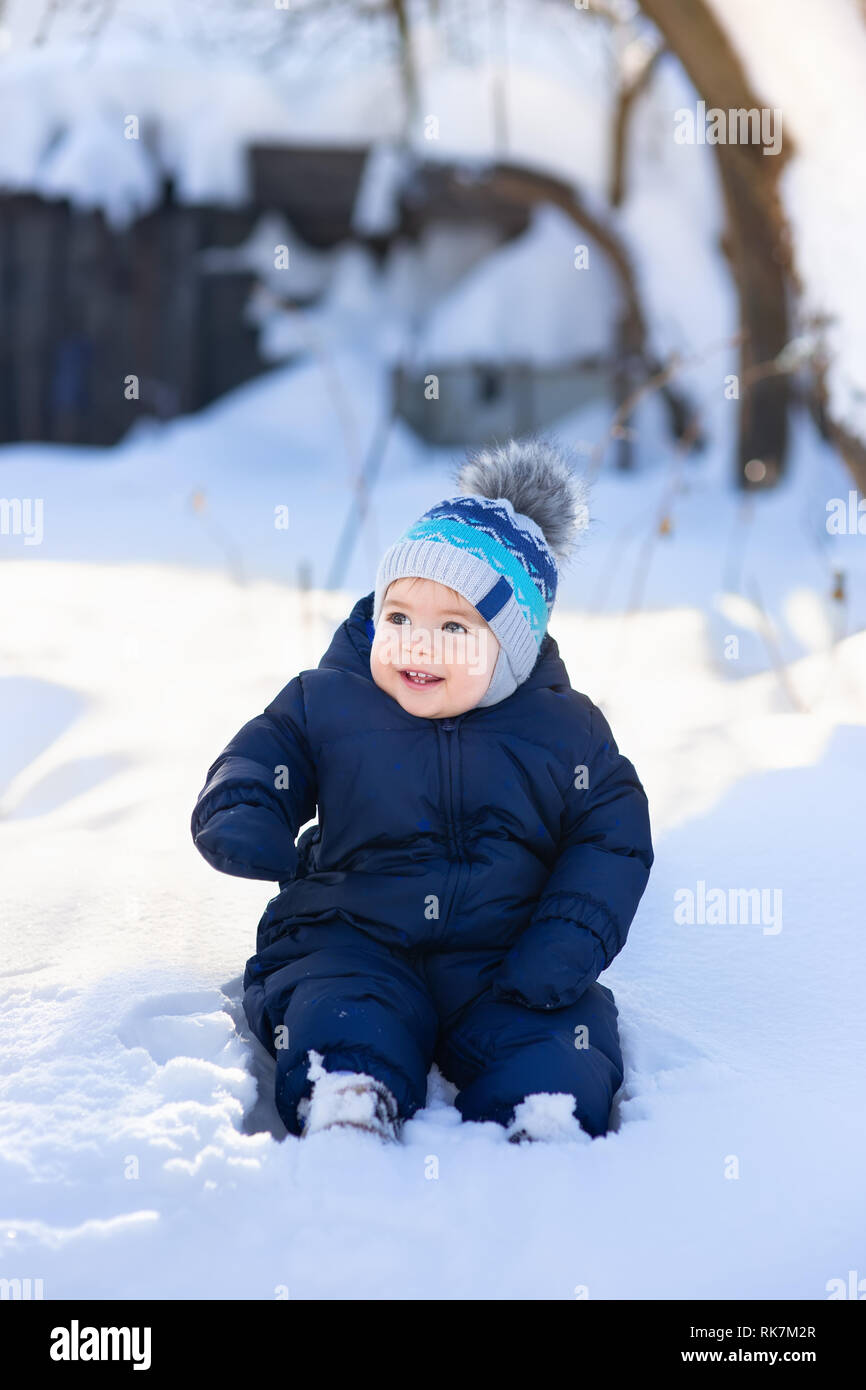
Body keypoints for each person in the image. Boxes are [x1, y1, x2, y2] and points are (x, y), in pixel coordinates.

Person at [190, 437, 654, 1144]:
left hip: (505, 961)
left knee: (561, 1037)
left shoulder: (565, 732)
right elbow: (264, 753)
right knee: (333, 1005)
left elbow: (611, 839)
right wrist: (245, 809)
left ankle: (542, 1114)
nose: (417, 644)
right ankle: (348, 1089)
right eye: (399, 617)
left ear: (511, 649)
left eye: (454, 628)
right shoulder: (330, 703)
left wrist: (564, 945)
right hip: (352, 935)